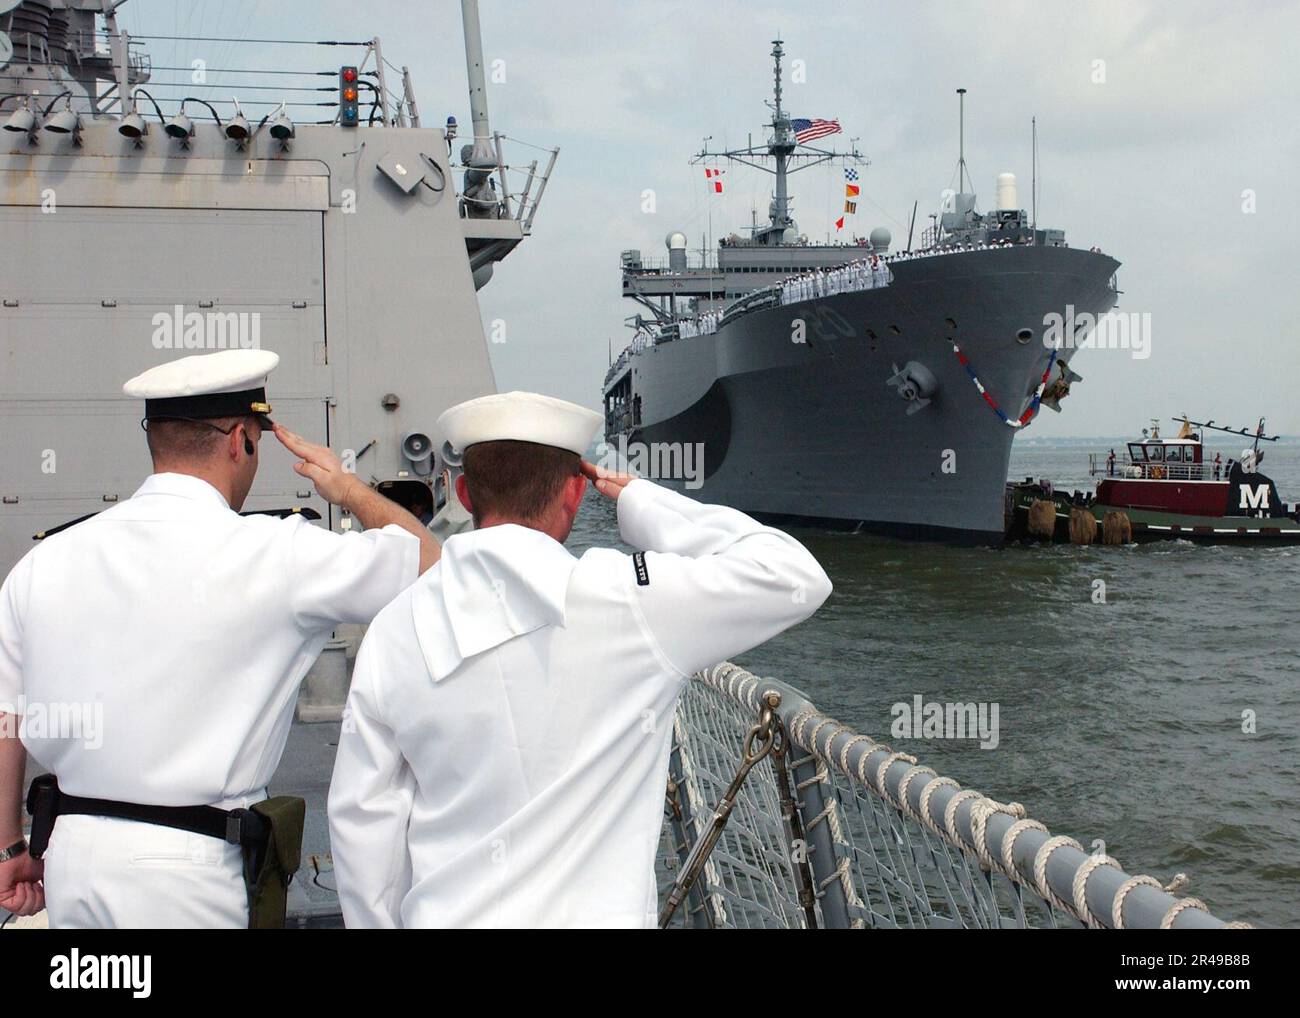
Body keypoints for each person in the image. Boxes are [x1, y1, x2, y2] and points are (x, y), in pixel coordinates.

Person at [328, 391, 832, 928]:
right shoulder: (633, 602)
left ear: (464, 492)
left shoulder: (395, 627)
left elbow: (363, 825)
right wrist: (644, 502)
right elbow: (796, 576)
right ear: (574, 493)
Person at [0, 349, 438, 928]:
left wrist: (10, 847)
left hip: (71, 859)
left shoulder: (45, 561)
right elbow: (432, 566)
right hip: (188, 874)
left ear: (154, 439)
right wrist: (346, 487)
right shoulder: (279, 554)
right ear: (240, 441)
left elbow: (9, 718)